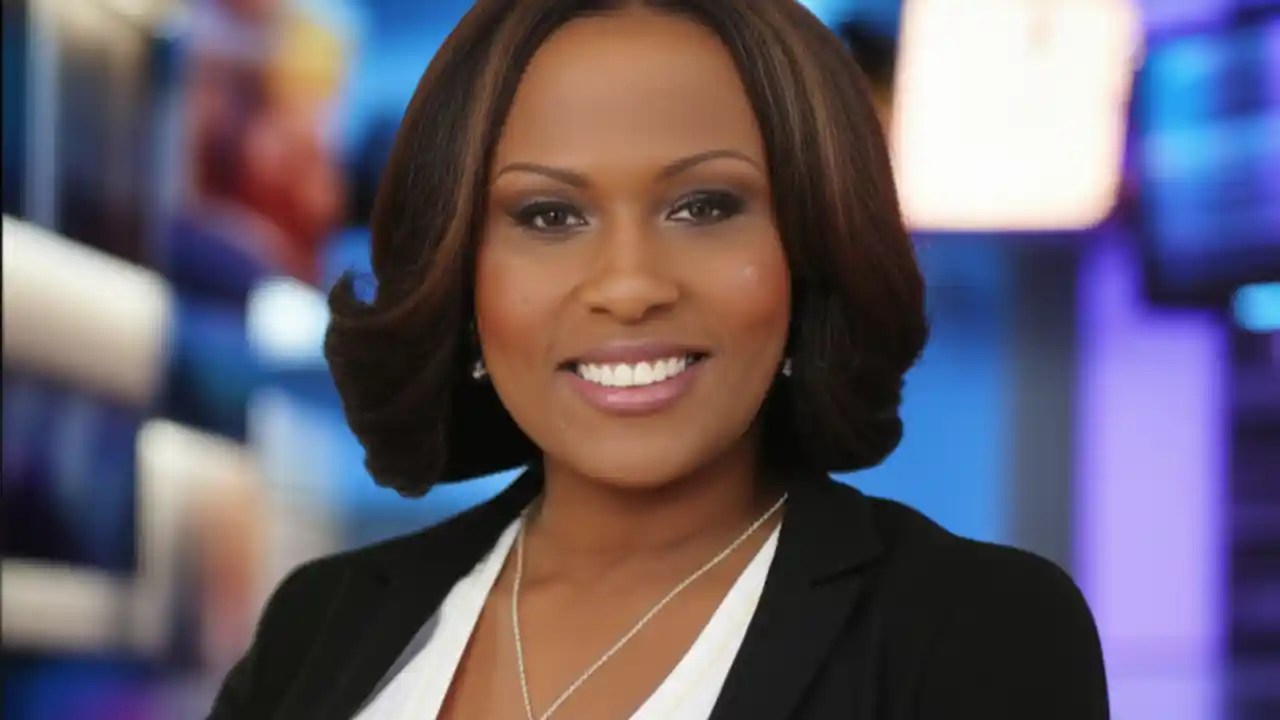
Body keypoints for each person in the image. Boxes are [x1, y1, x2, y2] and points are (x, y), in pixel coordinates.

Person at [210, 1, 1108, 718]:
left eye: (704, 207)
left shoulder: (978, 633)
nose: (630, 285)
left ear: (810, 248)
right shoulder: (320, 622)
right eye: (549, 217)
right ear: (462, 279)